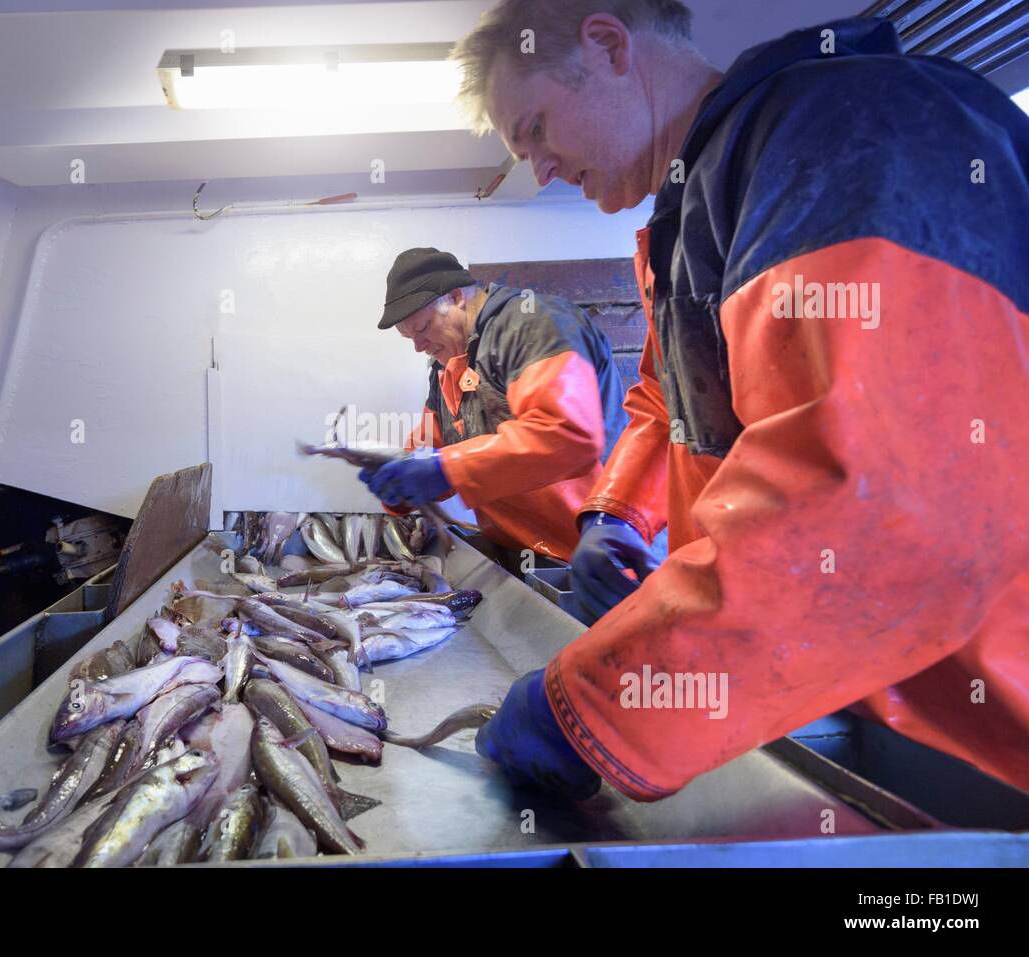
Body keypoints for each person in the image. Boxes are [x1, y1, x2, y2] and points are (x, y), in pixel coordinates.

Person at [454, 2, 1029, 798]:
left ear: (609, 44)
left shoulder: (845, 141)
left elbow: (875, 506)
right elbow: (668, 399)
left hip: (990, 717)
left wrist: (599, 703)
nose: (540, 168)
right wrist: (617, 514)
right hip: (857, 679)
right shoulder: (698, 208)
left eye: (539, 128)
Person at [361, 246, 627, 563]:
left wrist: (447, 468)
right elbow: (432, 448)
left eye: (422, 328)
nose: (419, 347)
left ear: (457, 298)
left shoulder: (534, 326)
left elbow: (565, 435)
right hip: (518, 550)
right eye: (409, 338)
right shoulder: (445, 368)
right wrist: (399, 483)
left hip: (600, 549)